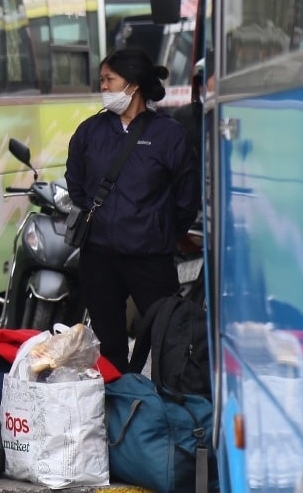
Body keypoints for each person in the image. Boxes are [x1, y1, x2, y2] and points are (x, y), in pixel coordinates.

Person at [65, 47, 201, 372]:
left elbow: (187, 195)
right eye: (101, 81)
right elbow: (76, 182)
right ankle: (117, 406)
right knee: (107, 344)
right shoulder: (90, 131)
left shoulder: (169, 135)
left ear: (133, 84)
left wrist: (162, 232)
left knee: (167, 336)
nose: (104, 88)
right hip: (98, 257)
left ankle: (169, 405)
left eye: (109, 80)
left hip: (150, 257)